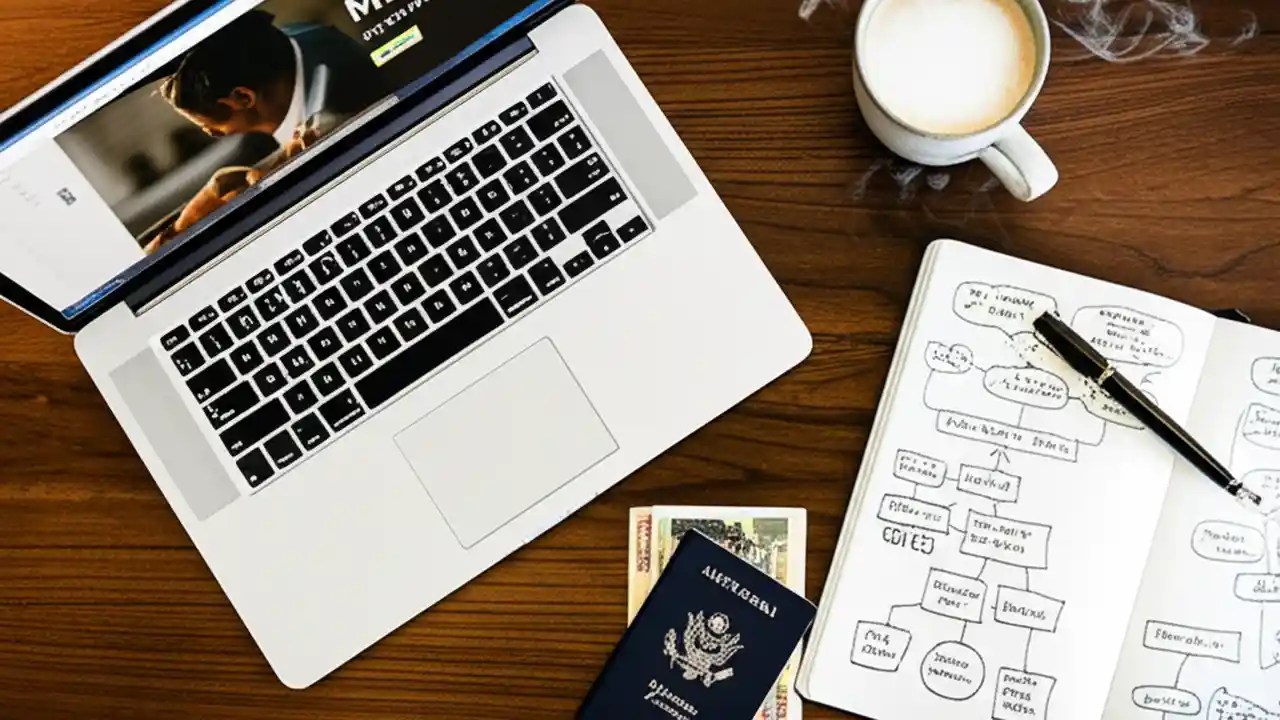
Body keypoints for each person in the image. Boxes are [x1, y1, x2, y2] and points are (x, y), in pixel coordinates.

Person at [145, 10, 388, 253]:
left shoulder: (330, 122)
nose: (210, 133)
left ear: (242, 97)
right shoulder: (292, 38)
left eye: (209, 125)